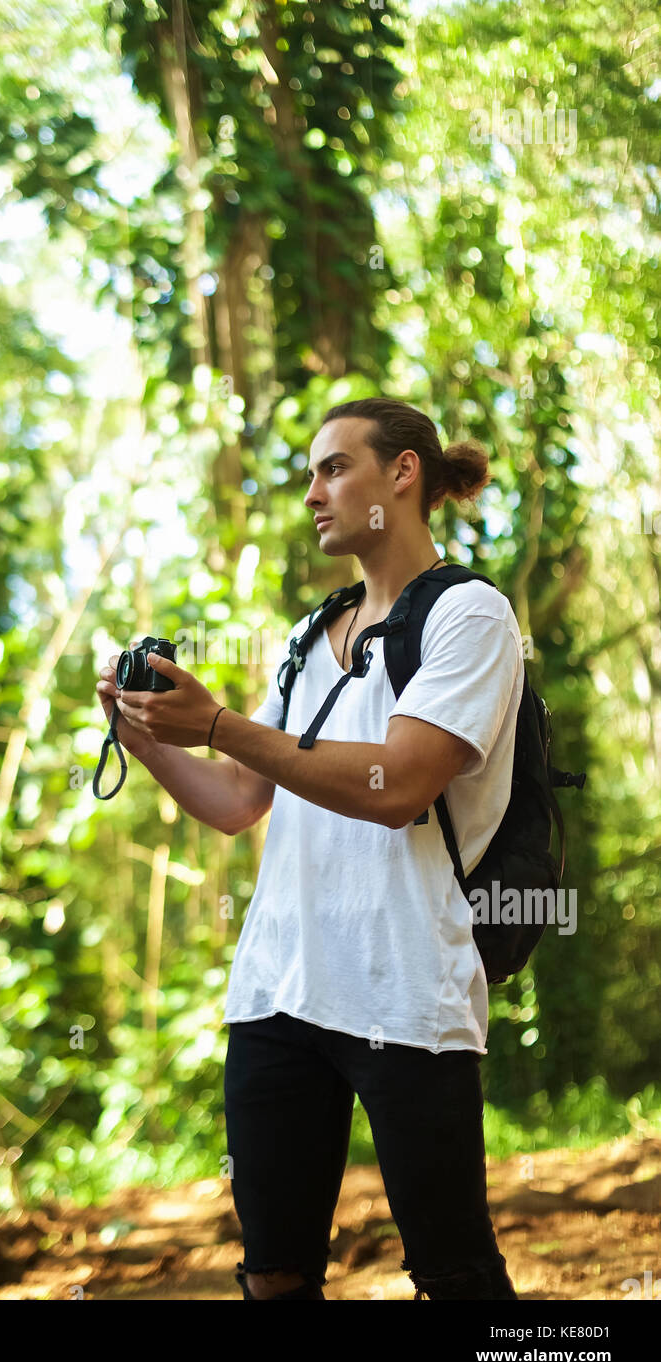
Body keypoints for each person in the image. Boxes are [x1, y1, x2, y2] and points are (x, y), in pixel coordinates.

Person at [96, 397, 522, 1301]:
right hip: (279, 990)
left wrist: (217, 721)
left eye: (333, 468)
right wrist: (151, 736)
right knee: (274, 1273)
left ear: (402, 474)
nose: (312, 493)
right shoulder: (305, 637)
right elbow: (241, 802)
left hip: (407, 988)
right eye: (310, 475)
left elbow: (399, 783)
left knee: (453, 1273)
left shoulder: (469, 616)